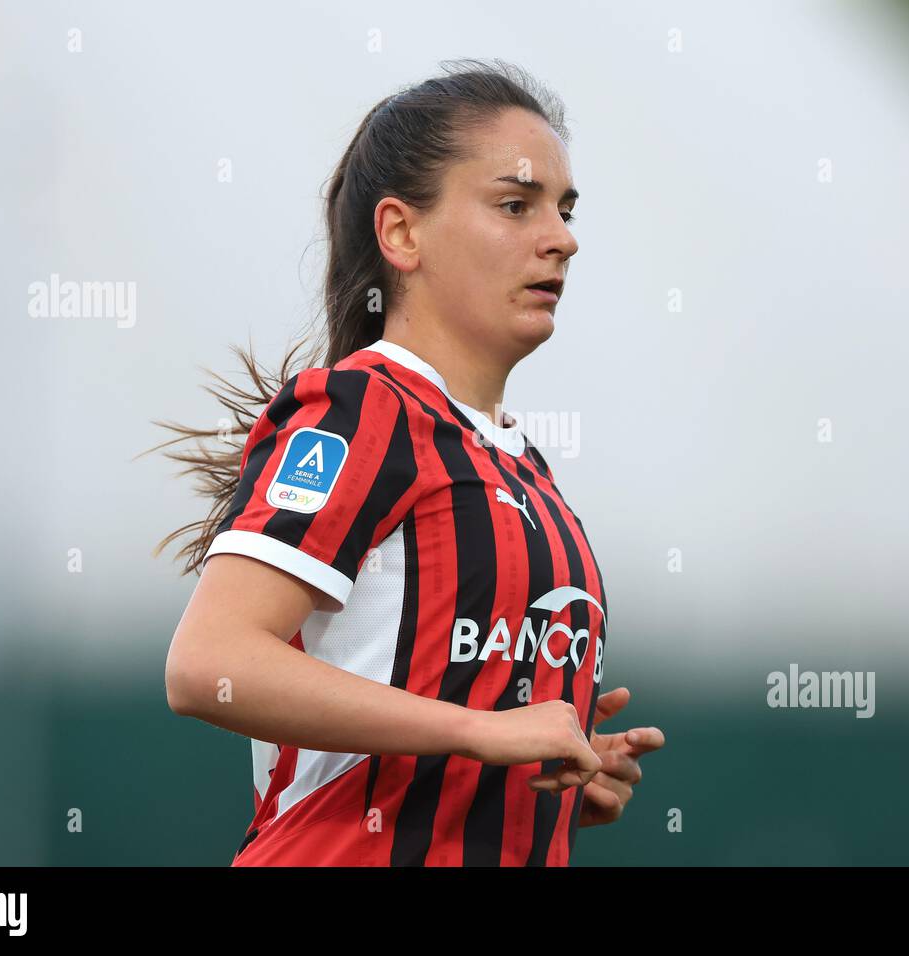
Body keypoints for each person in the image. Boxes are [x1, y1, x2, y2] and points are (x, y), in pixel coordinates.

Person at [150, 58, 664, 866]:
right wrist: (482, 732)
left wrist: (543, 778)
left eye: (562, 210)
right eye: (514, 204)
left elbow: (432, 738)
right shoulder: (366, 409)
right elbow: (208, 664)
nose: (561, 237)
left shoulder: (523, 467)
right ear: (401, 233)